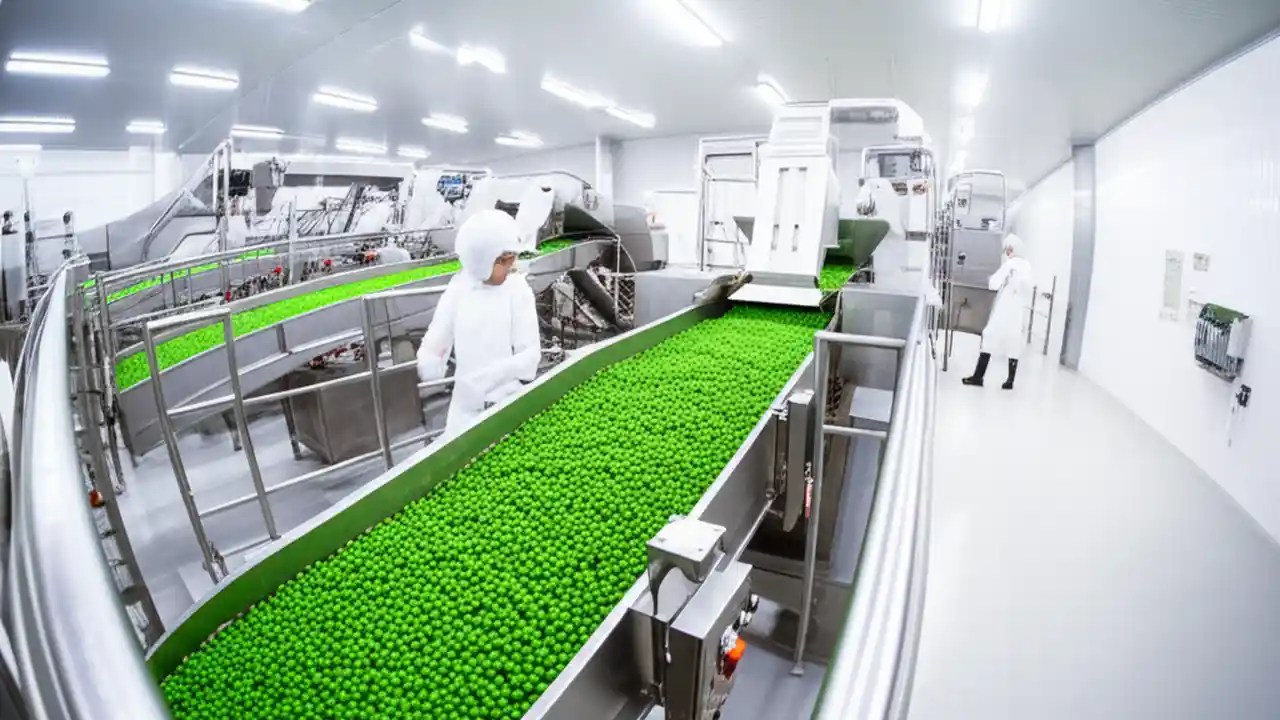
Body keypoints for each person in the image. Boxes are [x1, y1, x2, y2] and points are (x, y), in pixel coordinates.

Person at [416, 210, 540, 438]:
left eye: (511, 258)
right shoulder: (459, 289)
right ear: (482, 259)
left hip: (507, 403)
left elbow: (530, 358)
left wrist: (487, 377)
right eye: (504, 260)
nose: (511, 266)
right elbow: (437, 338)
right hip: (464, 408)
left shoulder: (517, 291)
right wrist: (431, 362)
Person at [963, 233, 1034, 390]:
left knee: (989, 336)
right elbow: (1028, 287)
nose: (1007, 253)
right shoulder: (1027, 266)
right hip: (1018, 310)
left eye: (1008, 250)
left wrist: (995, 279)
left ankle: (978, 376)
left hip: (1004, 307)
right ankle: (1010, 381)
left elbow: (993, 284)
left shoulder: (1010, 265)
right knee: (1013, 342)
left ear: (1011, 250)